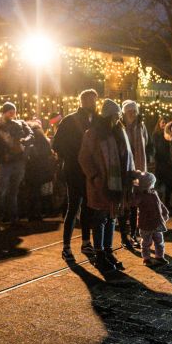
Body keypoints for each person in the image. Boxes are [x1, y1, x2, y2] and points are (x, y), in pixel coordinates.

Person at [78, 99, 135, 275]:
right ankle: (100, 253)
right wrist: (94, 176)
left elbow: (126, 155)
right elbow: (84, 157)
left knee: (112, 217)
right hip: (102, 182)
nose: (118, 119)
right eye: (115, 115)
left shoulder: (119, 132)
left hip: (116, 183)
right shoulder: (93, 134)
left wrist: (129, 176)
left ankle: (108, 251)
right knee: (100, 217)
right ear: (108, 116)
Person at [52, 89, 97, 261]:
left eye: (94, 101)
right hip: (73, 170)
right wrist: (73, 156)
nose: (93, 104)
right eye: (90, 101)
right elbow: (56, 144)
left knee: (87, 206)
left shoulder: (96, 120)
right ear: (82, 101)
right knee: (73, 207)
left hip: (89, 170)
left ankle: (86, 242)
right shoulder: (69, 120)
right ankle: (66, 247)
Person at [0, 102, 32, 229]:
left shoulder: (20, 123)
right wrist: (3, 155)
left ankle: (14, 218)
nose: (12, 114)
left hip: (18, 160)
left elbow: (31, 134)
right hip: (6, 163)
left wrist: (24, 141)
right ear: (4, 112)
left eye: (14, 111)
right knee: (2, 191)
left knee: (14, 191)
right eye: (10, 112)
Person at [119, 100, 148, 248]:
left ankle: (134, 234)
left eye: (134, 111)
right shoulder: (120, 127)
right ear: (124, 113)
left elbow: (146, 142)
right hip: (125, 169)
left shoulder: (141, 126)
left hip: (139, 167)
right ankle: (124, 236)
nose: (132, 114)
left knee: (135, 203)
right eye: (129, 112)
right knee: (124, 203)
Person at [133, 172, 170, 267]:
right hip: (145, 223)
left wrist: (165, 211)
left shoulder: (154, 193)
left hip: (157, 222)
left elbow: (160, 203)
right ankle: (146, 258)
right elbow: (134, 203)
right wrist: (136, 190)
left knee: (159, 241)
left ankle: (159, 256)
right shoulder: (140, 195)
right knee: (146, 242)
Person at [24, 121, 56, 222]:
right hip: (41, 166)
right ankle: (38, 213)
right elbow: (48, 149)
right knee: (38, 190)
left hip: (32, 166)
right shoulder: (40, 134)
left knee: (32, 190)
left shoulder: (29, 135)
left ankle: (33, 214)